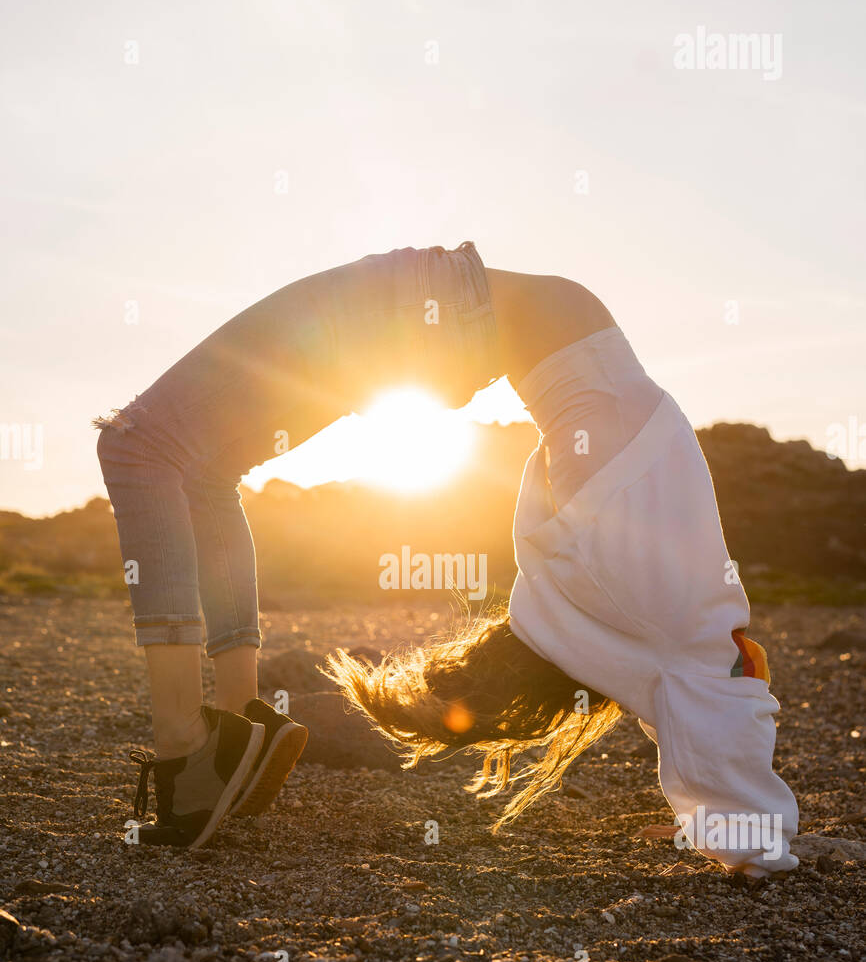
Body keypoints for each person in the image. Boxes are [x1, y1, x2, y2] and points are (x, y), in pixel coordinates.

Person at [97, 242, 799, 875]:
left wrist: (738, 835)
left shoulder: (661, 614)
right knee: (200, 470)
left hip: (429, 310)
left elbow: (722, 702)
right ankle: (239, 724)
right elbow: (722, 701)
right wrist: (732, 830)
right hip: (437, 315)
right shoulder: (655, 613)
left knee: (137, 444)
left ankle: (188, 748)